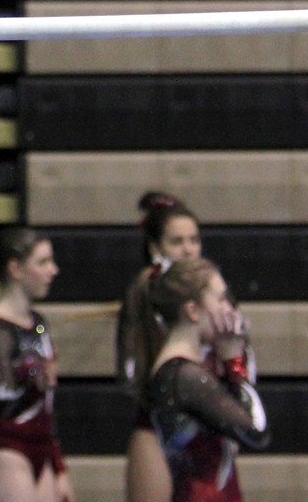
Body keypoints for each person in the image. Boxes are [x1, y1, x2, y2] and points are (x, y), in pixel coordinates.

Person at [133, 259, 268, 502]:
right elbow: (257, 432)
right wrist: (234, 363)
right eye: (221, 299)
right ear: (192, 310)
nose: (230, 309)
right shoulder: (185, 376)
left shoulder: (185, 372)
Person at [0, 228, 74, 502]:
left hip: (41, 449)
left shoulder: (38, 322)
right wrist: (36, 377)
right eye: (43, 262)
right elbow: (4, 398)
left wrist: (59, 468)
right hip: (7, 450)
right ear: (15, 269)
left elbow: (47, 405)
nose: (54, 270)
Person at [117, 193, 203, 502]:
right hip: (157, 430)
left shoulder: (214, 295)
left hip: (208, 434)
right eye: (177, 241)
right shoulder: (143, 295)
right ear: (155, 248)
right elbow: (128, 375)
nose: (188, 249)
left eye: (194, 239)